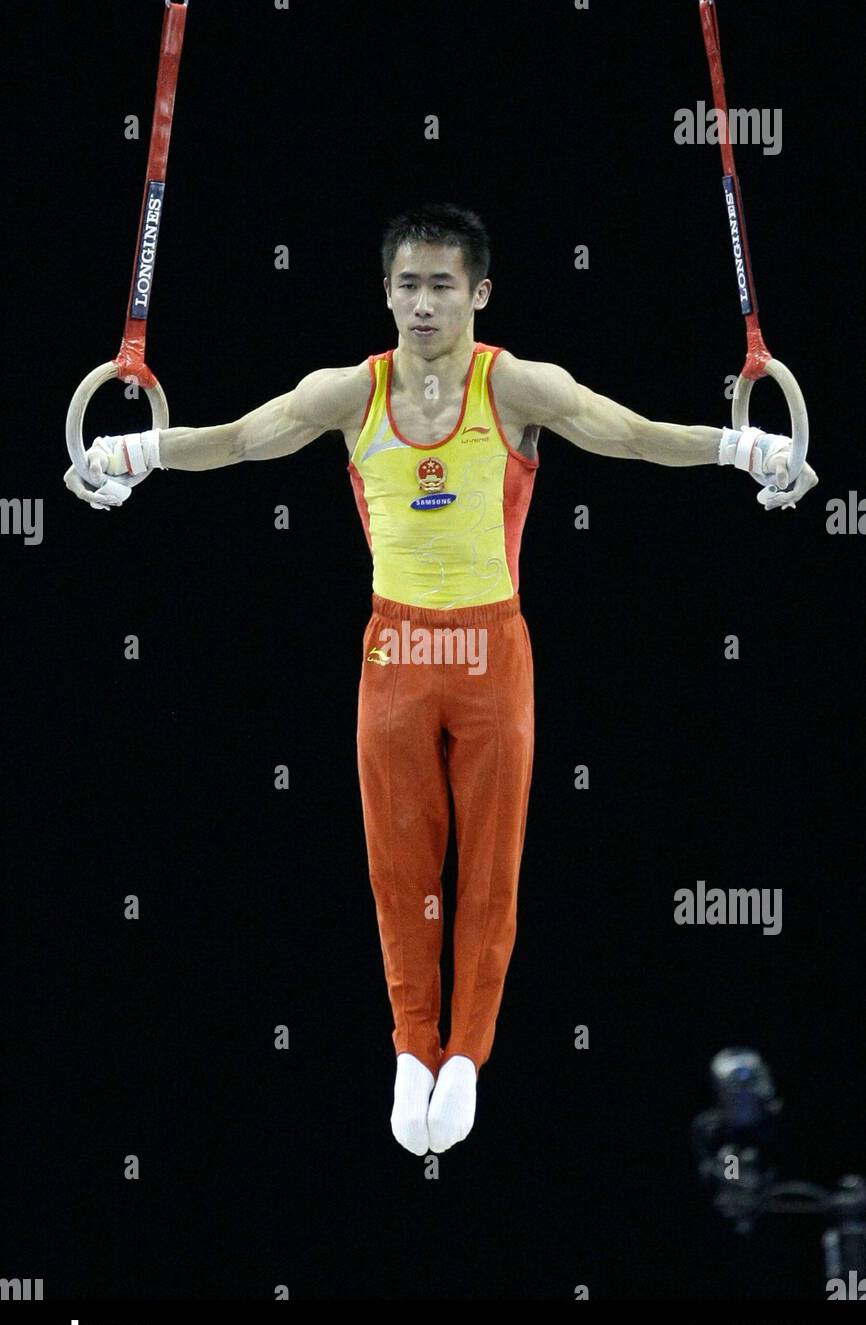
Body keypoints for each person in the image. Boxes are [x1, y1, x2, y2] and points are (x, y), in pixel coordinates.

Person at [64, 202, 818, 1156]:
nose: (423, 304)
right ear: (387, 292)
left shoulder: (517, 387)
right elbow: (244, 438)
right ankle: (410, 1049)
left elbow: (625, 432)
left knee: (489, 872)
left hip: (492, 655)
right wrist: (138, 452)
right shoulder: (350, 393)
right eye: (409, 285)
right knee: (399, 873)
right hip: (395, 656)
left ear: (480, 292)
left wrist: (736, 445)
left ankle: (466, 1053)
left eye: (443, 285)